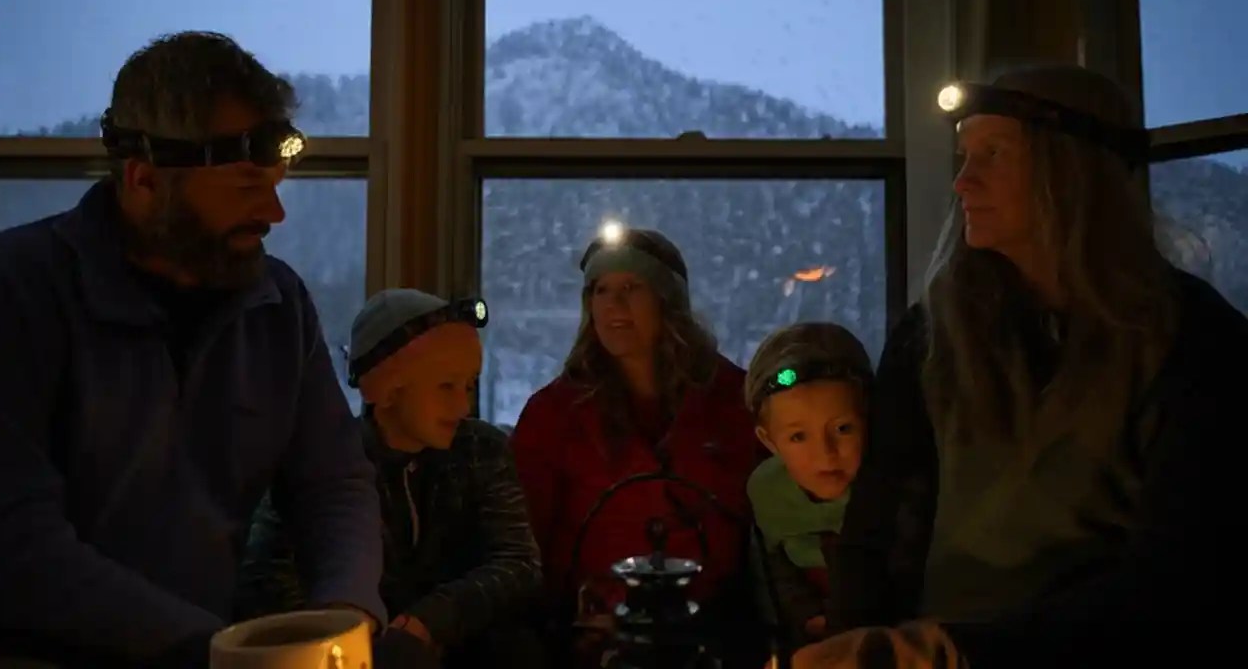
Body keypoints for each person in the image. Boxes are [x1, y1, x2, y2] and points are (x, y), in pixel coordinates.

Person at [801, 65, 1248, 667]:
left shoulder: (1194, 341)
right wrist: (859, 647)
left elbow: (1180, 579)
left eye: (993, 153)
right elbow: (875, 533)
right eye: (964, 155)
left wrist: (943, 652)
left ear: (1072, 171)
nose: (963, 181)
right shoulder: (932, 338)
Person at [0, 31, 386, 667]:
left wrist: (347, 616)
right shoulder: (5, 295)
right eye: (246, 189)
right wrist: (212, 649)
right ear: (144, 180)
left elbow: (333, 485)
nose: (274, 214)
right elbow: (6, 538)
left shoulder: (277, 306)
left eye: (276, 186)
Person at [236, 289, 545, 669]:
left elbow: (517, 562)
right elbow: (265, 574)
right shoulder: (328, 467)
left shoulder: (482, 451)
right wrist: (353, 634)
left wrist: (432, 620)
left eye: (468, 385)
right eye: (445, 386)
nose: (463, 406)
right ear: (387, 390)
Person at [510, 225, 765, 666]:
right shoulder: (554, 415)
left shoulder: (734, 401)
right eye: (601, 290)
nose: (614, 303)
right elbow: (525, 542)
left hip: (720, 638)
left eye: (631, 287)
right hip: (593, 642)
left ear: (668, 300)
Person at [743, 322, 871, 655]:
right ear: (769, 441)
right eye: (798, 436)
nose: (825, 454)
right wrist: (806, 614)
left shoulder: (893, 487)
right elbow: (772, 572)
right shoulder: (768, 493)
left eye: (843, 429)